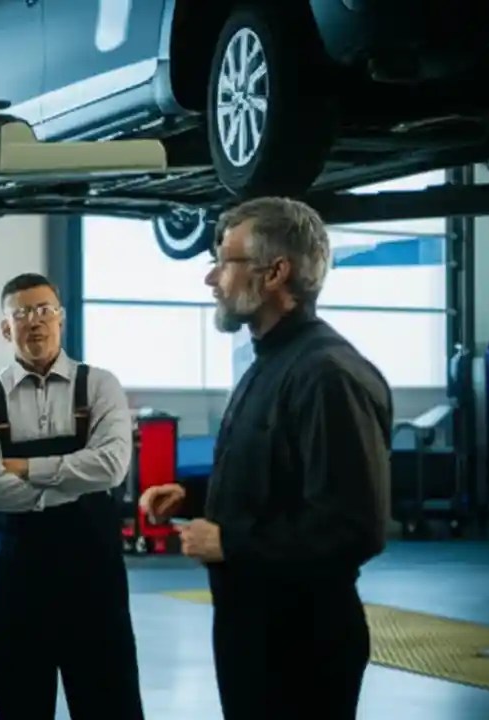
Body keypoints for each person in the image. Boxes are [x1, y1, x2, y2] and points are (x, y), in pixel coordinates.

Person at [140, 197, 392, 720]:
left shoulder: (326, 376)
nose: (211, 278)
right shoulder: (269, 363)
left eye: (225, 262)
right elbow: (275, 477)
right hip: (254, 636)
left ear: (276, 273)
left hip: (301, 647)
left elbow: (352, 527)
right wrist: (193, 497)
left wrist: (229, 542)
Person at [0, 272, 144, 720]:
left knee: (110, 705)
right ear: (6, 328)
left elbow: (111, 466)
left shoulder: (100, 386)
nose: (34, 321)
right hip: (12, 586)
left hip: (93, 584)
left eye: (44, 310)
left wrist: (26, 469)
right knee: (19, 705)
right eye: (21, 313)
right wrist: (72, 485)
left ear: (60, 318)